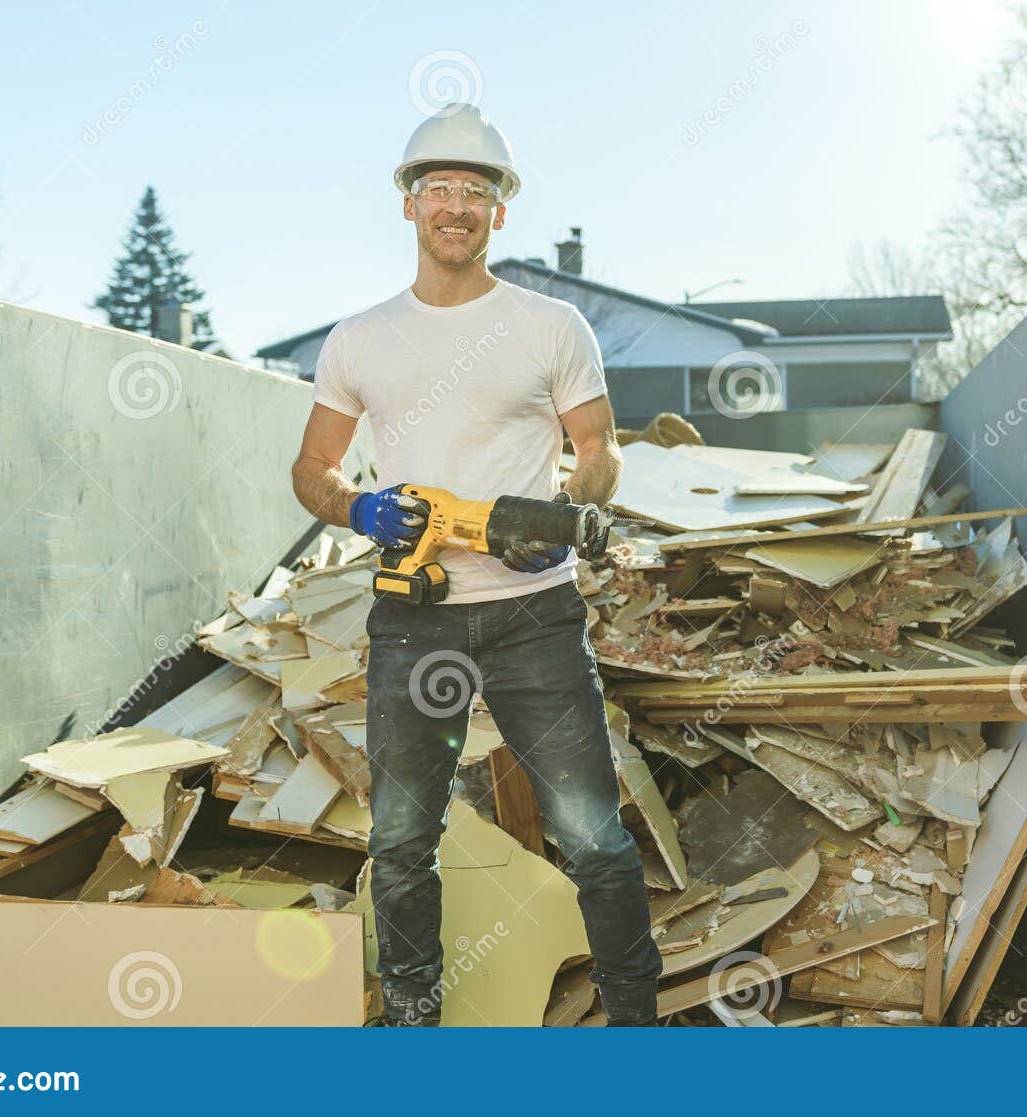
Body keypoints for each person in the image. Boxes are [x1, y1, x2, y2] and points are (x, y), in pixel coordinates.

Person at [290, 103, 662, 1026]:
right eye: (439, 188)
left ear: (501, 213)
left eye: (476, 191)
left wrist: (575, 508)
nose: (456, 205)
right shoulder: (360, 338)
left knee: (593, 835)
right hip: (417, 617)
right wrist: (360, 505)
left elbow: (600, 448)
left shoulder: (551, 325)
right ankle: (417, 1026)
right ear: (409, 206)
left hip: (534, 612)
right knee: (404, 836)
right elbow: (311, 468)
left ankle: (637, 1026)